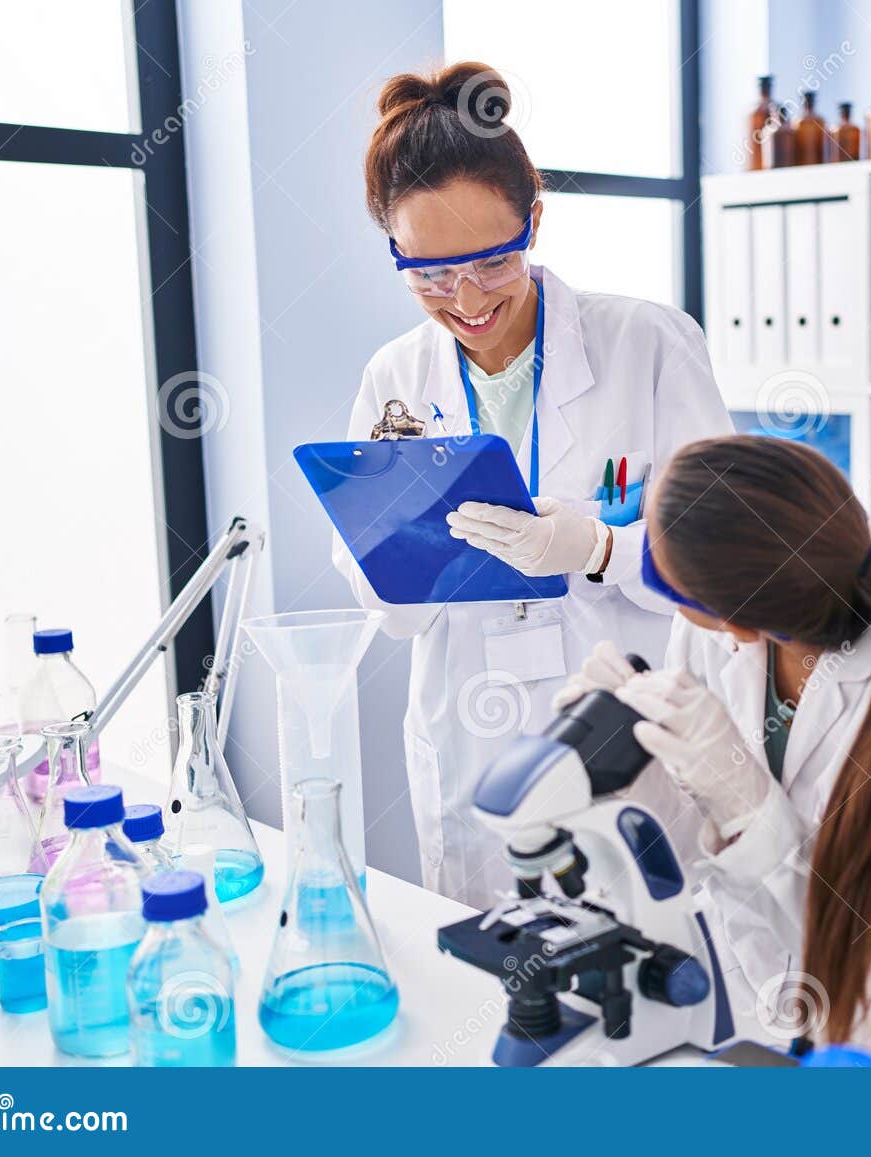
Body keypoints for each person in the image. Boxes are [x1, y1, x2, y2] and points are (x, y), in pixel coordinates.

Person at [334, 63, 730, 909]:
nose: (466, 298)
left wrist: (599, 546)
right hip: (469, 738)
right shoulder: (394, 377)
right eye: (430, 272)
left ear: (535, 223)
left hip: (627, 729)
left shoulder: (648, 344)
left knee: (645, 973)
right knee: (494, 974)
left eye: (491, 261)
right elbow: (389, 609)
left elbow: (730, 562)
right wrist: (393, 554)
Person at [560, 435, 871, 1063]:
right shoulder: (715, 635)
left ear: (736, 618)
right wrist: (628, 755)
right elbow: (693, 838)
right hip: (768, 993)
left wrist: (750, 809)